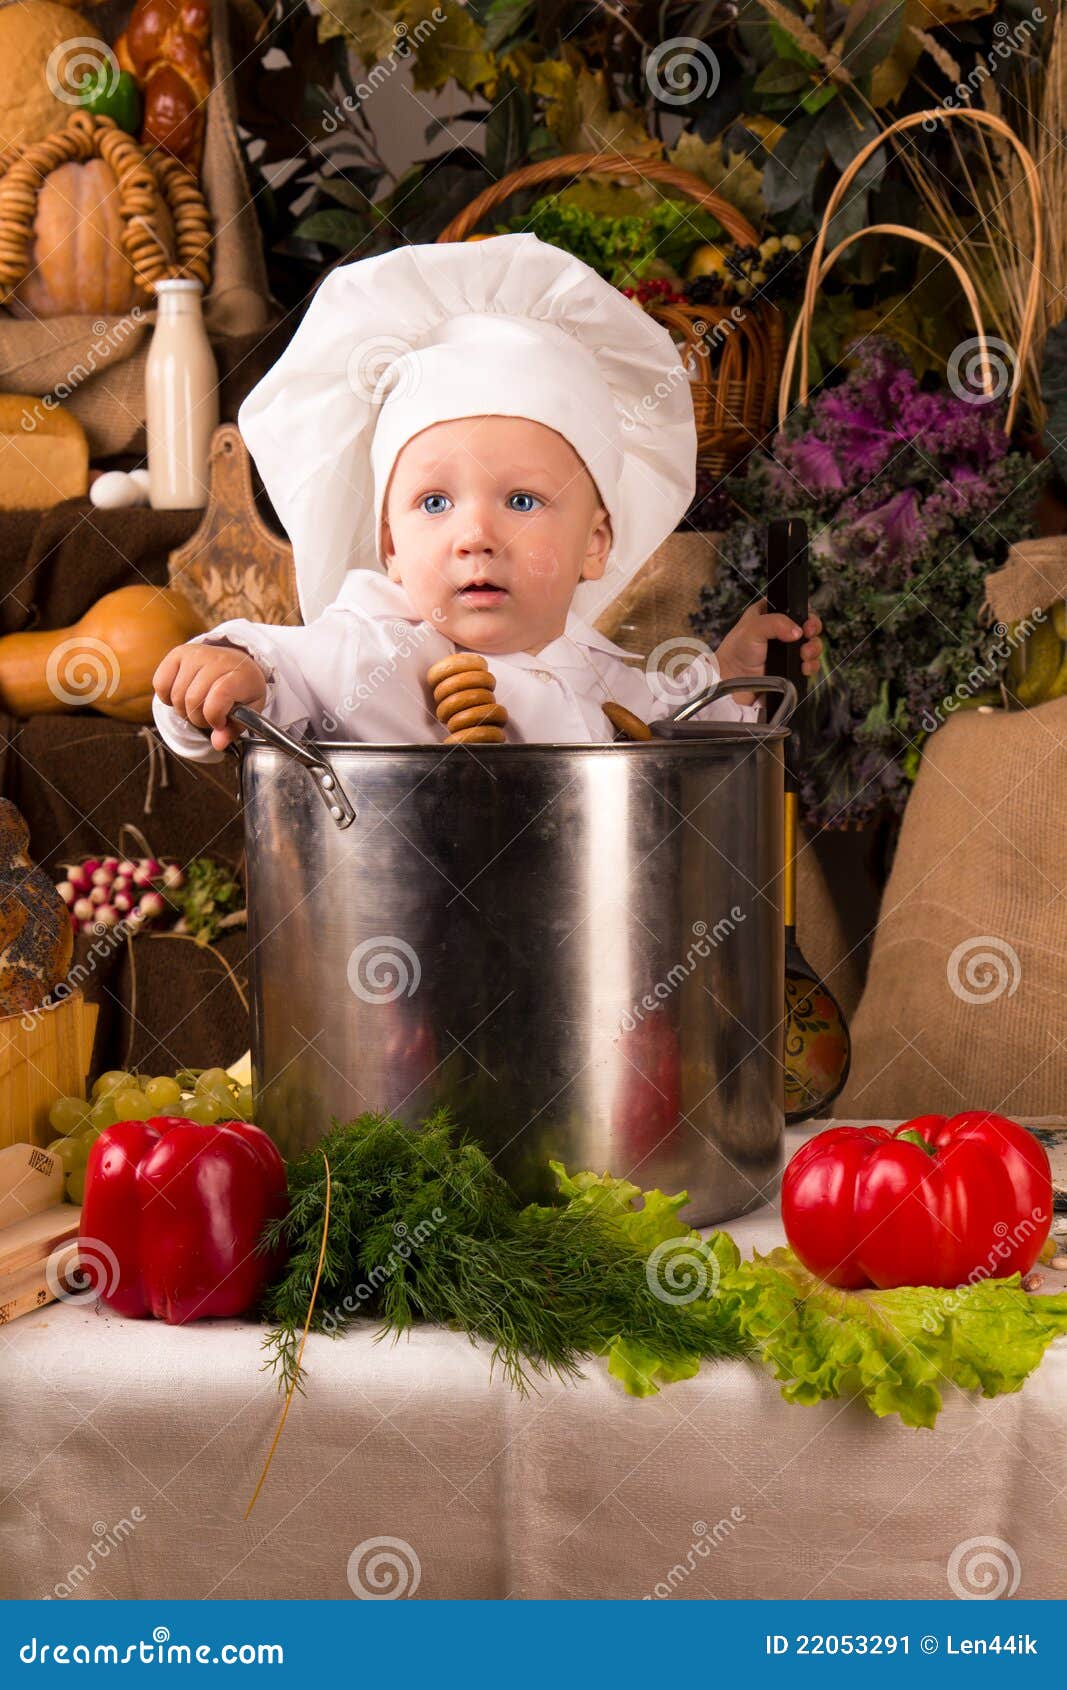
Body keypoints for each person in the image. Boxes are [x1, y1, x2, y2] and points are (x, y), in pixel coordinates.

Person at [152, 235, 821, 758]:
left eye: (523, 502)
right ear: (389, 546)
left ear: (594, 544)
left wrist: (732, 675)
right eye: (434, 504)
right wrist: (220, 672)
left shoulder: (601, 671)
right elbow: (278, 671)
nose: (475, 536)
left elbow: (675, 733)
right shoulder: (373, 653)